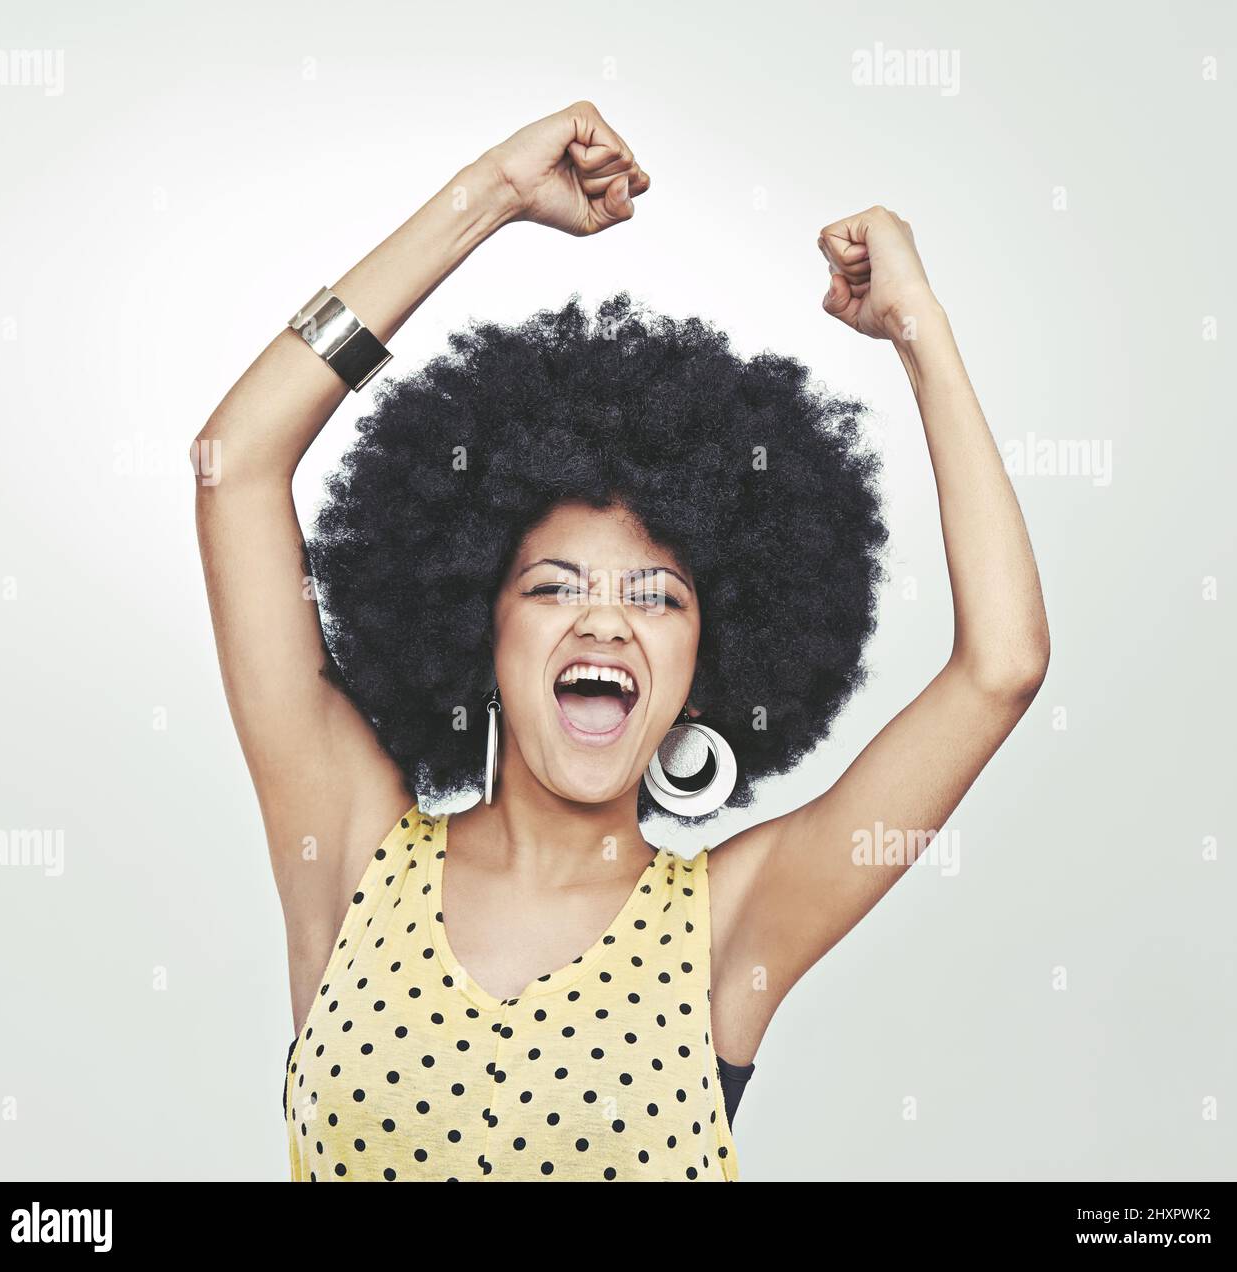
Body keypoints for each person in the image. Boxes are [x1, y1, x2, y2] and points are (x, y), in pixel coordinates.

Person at [192, 100, 1049, 1182]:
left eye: (657, 597)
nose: (604, 620)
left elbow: (1001, 667)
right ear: (478, 634)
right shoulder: (351, 849)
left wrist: (918, 327)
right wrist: (488, 197)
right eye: (555, 588)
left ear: (703, 675)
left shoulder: (733, 922)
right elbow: (234, 461)